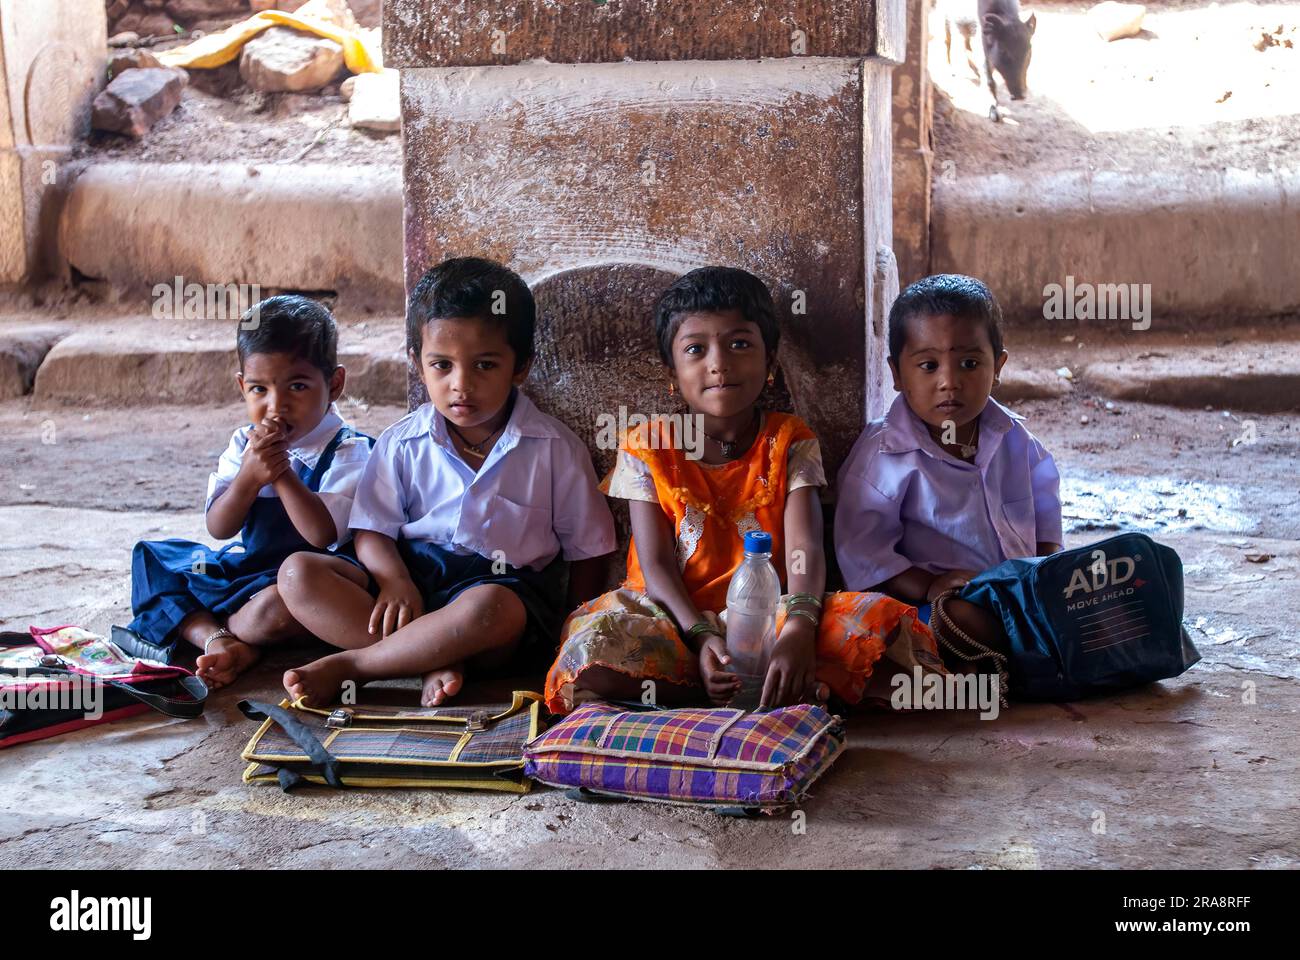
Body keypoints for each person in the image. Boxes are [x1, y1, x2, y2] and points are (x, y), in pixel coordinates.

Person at [545, 266, 939, 715]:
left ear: (770, 363)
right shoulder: (647, 445)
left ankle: (761, 681)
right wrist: (702, 636)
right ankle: (738, 689)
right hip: (672, 619)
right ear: (672, 373)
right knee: (593, 645)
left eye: (739, 344)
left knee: (885, 630)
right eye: (696, 349)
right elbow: (655, 567)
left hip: (769, 616)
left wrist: (798, 628)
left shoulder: (789, 439)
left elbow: (805, 550)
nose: (719, 363)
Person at [277, 257, 616, 707]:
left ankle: (359, 665)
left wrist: (570, 636)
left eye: (484, 366)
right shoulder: (401, 443)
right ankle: (429, 656)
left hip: (498, 602)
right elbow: (372, 530)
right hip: (410, 591)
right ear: (418, 364)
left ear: (521, 367)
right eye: (442, 365)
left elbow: (589, 551)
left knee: (490, 607)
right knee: (298, 574)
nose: (461, 385)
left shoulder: (554, 448)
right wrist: (396, 581)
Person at [126, 295, 372, 689]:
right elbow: (219, 527)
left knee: (278, 605)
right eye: (259, 389)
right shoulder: (244, 444)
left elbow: (322, 535)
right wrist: (248, 477)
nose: (277, 406)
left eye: (297, 386)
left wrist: (280, 475)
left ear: (335, 384)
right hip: (251, 573)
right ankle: (222, 638)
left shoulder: (348, 450)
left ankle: (223, 633)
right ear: (242, 386)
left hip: (315, 582)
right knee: (155, 559)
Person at [835, 273, 1062, 666]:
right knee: (954, 623)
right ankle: (1028, 659)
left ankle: (1034, 648)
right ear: (896, 373)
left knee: (1112, 584)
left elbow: (1046, 514)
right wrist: (929, 586)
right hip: (933, 604)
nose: (949, 382)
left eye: (970, 363)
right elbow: (865, 554)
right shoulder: (884, 456)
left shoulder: (1015, 438)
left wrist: (1046, 571)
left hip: (1018, 592)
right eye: (928, 365)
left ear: (999, 366)